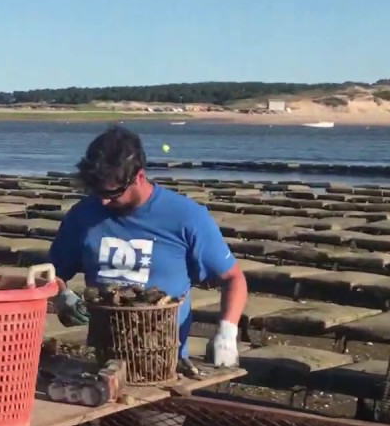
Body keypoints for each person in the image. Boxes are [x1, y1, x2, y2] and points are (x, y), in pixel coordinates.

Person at [47, 125, 248, 369]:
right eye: (96, 191)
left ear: (139, 177)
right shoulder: (82, 215)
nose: (103, 200)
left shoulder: (186, 216)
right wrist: (60, 296)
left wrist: (226, 334)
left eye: (113, 193)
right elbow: (52, 274)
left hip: (164, 359)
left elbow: (233, 278)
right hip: (104, 358)